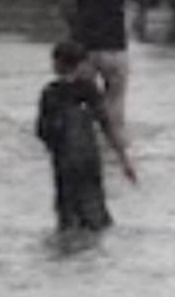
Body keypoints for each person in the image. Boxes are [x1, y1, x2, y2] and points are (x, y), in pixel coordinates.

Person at [36, 41, 136, 233]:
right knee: (95, 207)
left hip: (64, 161)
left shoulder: (50, 93)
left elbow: (42, 130)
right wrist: (125, 161)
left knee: (67, 209)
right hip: (89, 158)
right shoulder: (89, 90)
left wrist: (53, 149)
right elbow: (107, 125)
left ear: (57, 64)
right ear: (81, 64)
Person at [58, 0, 139, 134]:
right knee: (115, 97)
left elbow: (65, 1)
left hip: (82, 46)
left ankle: (82, 138)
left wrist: (73, 27)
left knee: (78, 99)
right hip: (114, 43)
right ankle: (112, 143)